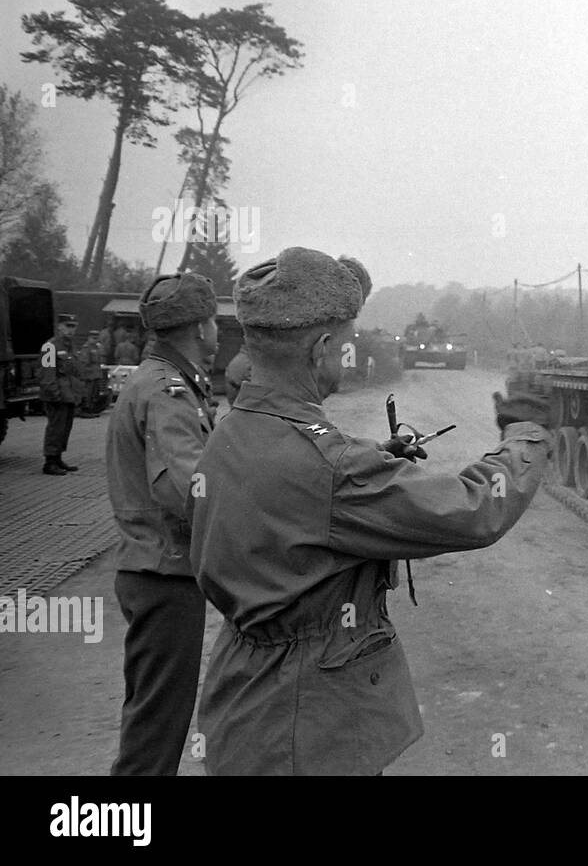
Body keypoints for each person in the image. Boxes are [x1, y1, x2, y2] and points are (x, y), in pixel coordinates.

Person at [189, 247, 554, 775]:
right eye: (346, 343)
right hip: (310, 724)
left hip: (246, 701)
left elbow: (291, 494)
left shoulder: (233, 428)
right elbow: (475, 510)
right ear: (319, 350)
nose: (350, 354)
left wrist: (371, 460)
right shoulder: (332, 467)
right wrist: (526, 431)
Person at [106, 272, 220, 775]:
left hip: (152, 567)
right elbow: (190, 490)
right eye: (214, 322)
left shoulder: (153, 379)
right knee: (156, 732)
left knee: (153, 717)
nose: (217, 333)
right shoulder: (168, 391)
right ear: (200, 328)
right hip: (165, 574)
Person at [38, 313, 83, 475]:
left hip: (69, 395)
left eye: (74, 326)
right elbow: (47, 374)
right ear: (59, 326)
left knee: (64, 429)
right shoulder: (49, 347)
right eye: (67, 326)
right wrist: (54, 394)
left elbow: (75, 372)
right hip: (57, 396)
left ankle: (57, 458)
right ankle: (49, 462)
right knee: (55, 428)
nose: (71, 330)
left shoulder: (70, 346)